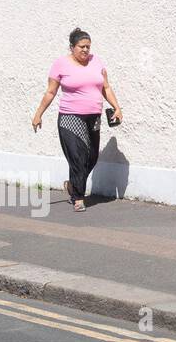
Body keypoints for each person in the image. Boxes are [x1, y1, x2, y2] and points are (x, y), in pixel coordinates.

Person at [32, 28, 122, 212]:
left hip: (94, 116)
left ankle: (73, 185)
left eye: (88, 47)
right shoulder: (60, 64)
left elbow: (106, 87)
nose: (86, 50)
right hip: (70, 117)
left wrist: (117, 107)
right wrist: (38, 114)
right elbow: (50, 92)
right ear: (72, 47)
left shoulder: (96, 62)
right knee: (78, 156)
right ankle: (78, 197)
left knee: (92, 157)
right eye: (82, 47)